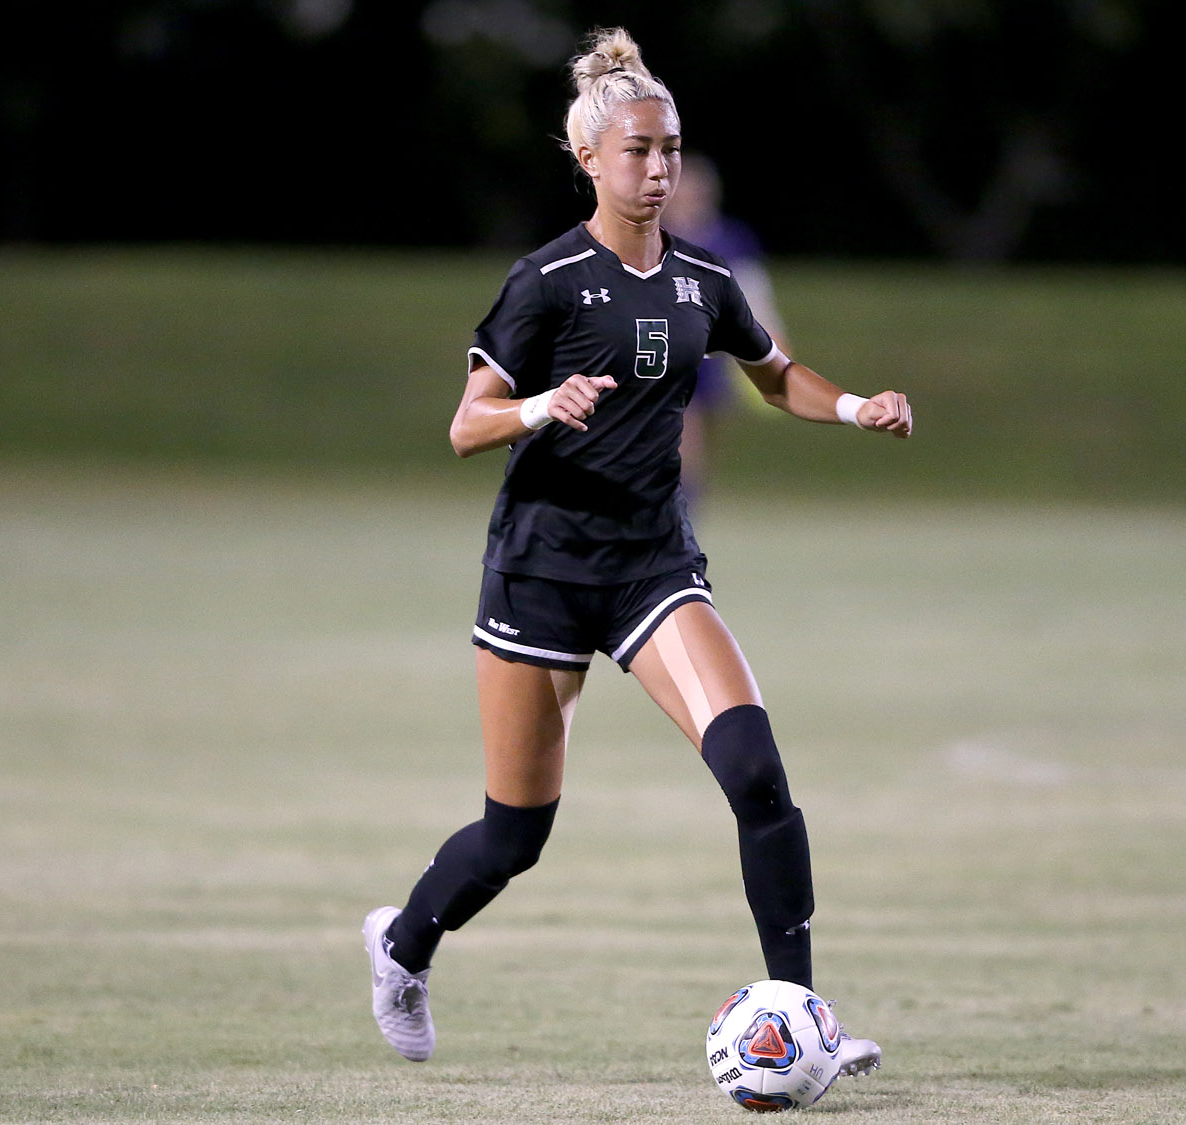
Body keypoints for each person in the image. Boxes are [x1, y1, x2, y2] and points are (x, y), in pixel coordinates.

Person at [361, 27, 910, 1076]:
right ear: (588, 162)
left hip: (651, 565)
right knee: (514, 835)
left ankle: (801, 1018)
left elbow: (771, 370)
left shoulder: (706, 277)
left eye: (668, 149)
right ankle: (401, 945)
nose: (657, 168)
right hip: (540, 570)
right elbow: (464, 425)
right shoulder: (546, 281)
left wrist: (854, 406)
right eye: (636, 152)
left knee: (754, 772)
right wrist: (535, 405)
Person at [661, 153, 788, 500]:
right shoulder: (650, 236)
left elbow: (752, 290)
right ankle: (673, 510)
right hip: (664, 351)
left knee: (699, 435)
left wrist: (772, 335)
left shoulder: (730, 239)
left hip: (713, 352)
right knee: (685, 428)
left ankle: (684, 506)